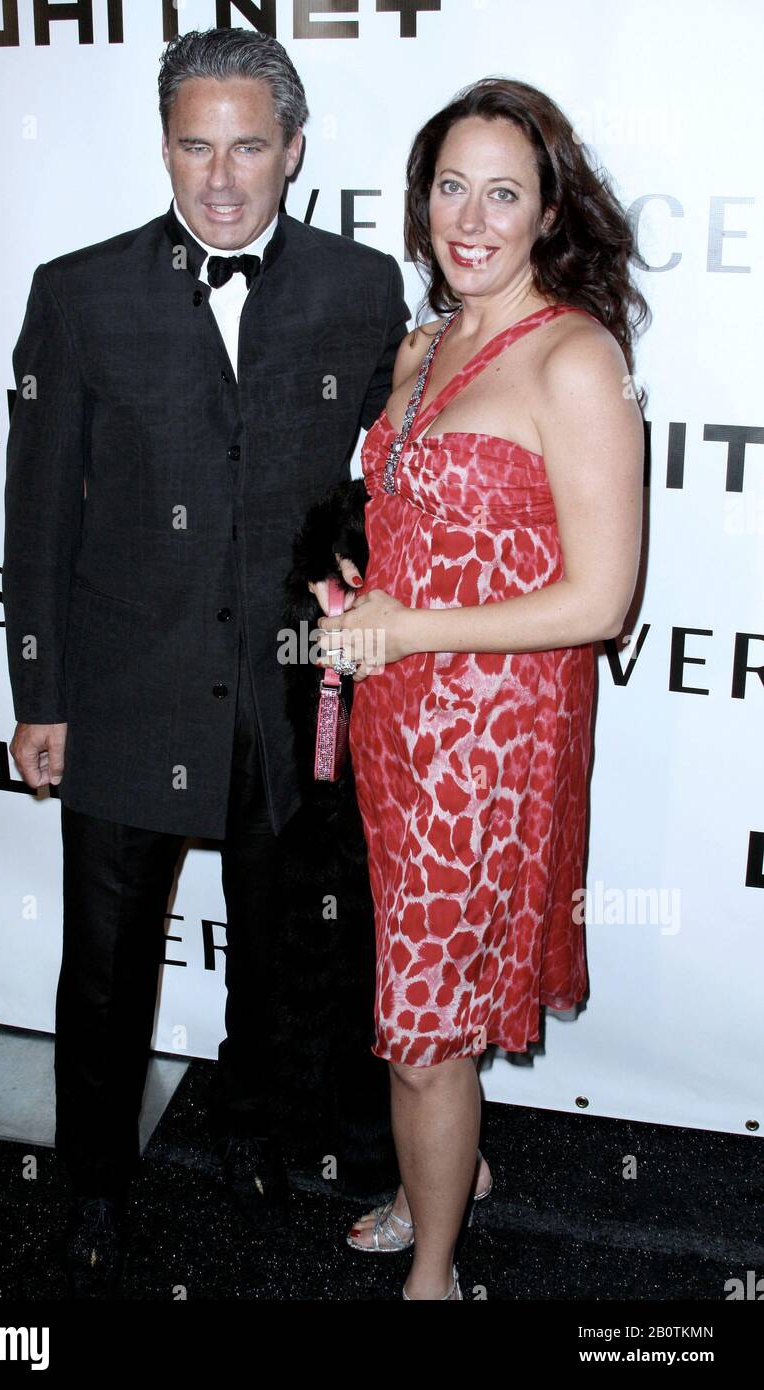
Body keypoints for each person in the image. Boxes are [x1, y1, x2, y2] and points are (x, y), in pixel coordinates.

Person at [2, 26, 408, 1295]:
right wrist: (41, 695)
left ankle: (252, 1133)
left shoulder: (362, 287)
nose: (220, 175)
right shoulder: (79, 292)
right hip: (126, 695)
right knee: (108, 968)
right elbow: (38, 513)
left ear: (293, 148)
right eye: (194, 143)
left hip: (290, 697)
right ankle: (94, 1189)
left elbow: (379, 488)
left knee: (282, 949)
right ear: (163, 144)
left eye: (247, 145)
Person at [310, 76, 647, 1300]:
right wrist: (354, 593)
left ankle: (436, 1271)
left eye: (503, 191)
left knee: (415, 1029)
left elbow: (601, 603)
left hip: (488, 749)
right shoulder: (421, 340)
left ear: (546, 209)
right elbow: (402, 527)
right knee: (417, 1003)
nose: (471, 216)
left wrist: (411, 631)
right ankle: (436, 1176)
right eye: (450, 185)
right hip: (396, 730)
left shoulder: (574, 358)